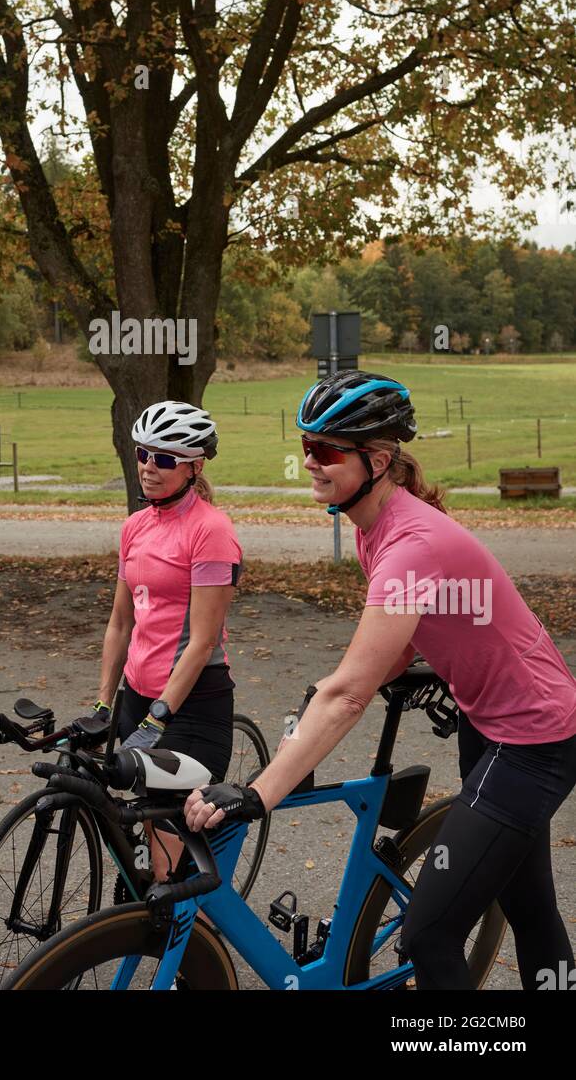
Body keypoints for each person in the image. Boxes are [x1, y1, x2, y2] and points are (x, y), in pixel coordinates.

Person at [185, 370, 576, 990]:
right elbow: (391, 647)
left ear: (380, 459)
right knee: (527, 905)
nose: (309, 462)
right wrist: (337, 681)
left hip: (533, 740)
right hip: (487, 722)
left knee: (430, 933)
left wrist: (261, 793)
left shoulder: (410, 542)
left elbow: (350, 697)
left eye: (326, 450)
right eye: (305, 446)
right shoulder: (377, 526)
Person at [92, 401, 242, 881]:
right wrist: (101, 704)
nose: (148, 468)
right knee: (141, 824)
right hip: (135, 698)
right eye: (143, 454)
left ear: (194, 467)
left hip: (189, 706)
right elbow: (120, 623)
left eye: (164, 459)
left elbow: (201, 642)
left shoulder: (212, 531)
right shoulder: (134, 526)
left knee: (166, 861)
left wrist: (159, 718)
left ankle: (190, 935)